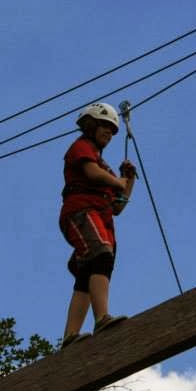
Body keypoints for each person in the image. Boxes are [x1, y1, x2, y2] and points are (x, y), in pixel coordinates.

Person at [59, 102, 137, 348]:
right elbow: (92, 174)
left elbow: (118, 206)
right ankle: (101, 317)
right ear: (91, 124)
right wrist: (117, 180)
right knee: (101, 255)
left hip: (100, 217)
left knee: (88, 272)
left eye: (113, 131)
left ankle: (71, 336)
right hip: (82, 211)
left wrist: (129, 180)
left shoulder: (105, 167)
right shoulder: (81, 147)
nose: (109, 133)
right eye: (105, 126)